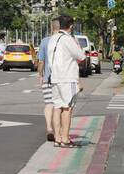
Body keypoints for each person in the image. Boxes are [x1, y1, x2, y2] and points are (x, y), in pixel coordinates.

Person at [46, 14, 87, 147]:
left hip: (55, 77)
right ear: (71, 26)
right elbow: (81, 56)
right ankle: (65, 139)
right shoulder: (68, 39)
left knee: (57, 107)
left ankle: (57, 138)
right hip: (67, 77)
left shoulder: (52, 39)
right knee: (67, 108)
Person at [35, 18, 60, 142]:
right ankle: (59, 132)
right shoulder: (64, 41)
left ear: (51, 28)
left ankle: (49, 128)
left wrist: (41, 76)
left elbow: (41, 62)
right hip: (61, 79)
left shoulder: (44, 41)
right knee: (59, 105)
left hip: (47, 78)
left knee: (49, 104)